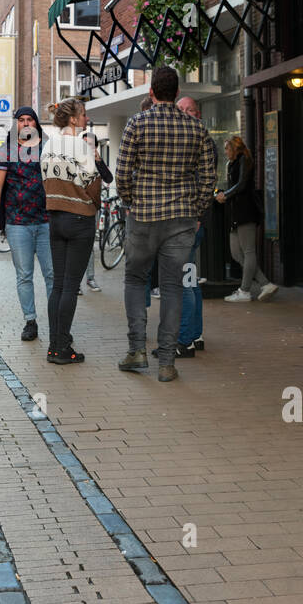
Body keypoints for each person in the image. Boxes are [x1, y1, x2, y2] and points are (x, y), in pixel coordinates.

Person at [117, 67, 216, 383]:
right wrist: (196, 208)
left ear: (151, 92)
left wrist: (132, 201)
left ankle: (136, 351)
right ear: (176, 93)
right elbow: (208, 178)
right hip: (181, 219)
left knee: (135, 279)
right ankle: (167, 363)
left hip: (144, 216)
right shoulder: (196, 128)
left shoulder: (138, 123)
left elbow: (122, 173)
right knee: (173, 286)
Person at [40, 97, 112, 364]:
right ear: (73, 119)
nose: (86, 119)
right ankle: (62, 349)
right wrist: (93, 205)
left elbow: (46, 181)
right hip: (80, 218)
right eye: (83, 115)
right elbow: (96, 184)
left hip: (55, 218)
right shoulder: (80, 146)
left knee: (58, 285)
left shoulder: (48, 146)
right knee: (71, 285)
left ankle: (54, 344)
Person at [0, 106, 54, 341]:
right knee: (24, 275)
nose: (26, 124)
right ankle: (30, 321)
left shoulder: (47, 148)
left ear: (36, 124)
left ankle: (57, 323)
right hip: (17, 223)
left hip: (47, 221)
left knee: (52, 275)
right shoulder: (5, 151)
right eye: (21, 120)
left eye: (30, 120)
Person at [215, 136, 277, 303]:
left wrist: (225, 195)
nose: (225, 152)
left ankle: (245, 290)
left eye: (227, 149)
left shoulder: (245, 160)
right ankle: (265, 283)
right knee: (236, 252)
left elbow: (242, 185)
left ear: (235, 149)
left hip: (246, 211)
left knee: (248, 251)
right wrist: (221, 194)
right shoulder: (231, 164)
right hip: (235, 213)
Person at [174, 97, 207, 357]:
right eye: (180, 110)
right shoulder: (189, 140)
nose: (184, 114)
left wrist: (196, 217)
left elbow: (204, 182)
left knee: (184, 282)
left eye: (189, 110)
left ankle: (184, 341)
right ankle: (195, 335)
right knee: (191, 281)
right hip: (188, 224)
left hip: (187, 225)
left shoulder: (199, 141)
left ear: (198, 114)